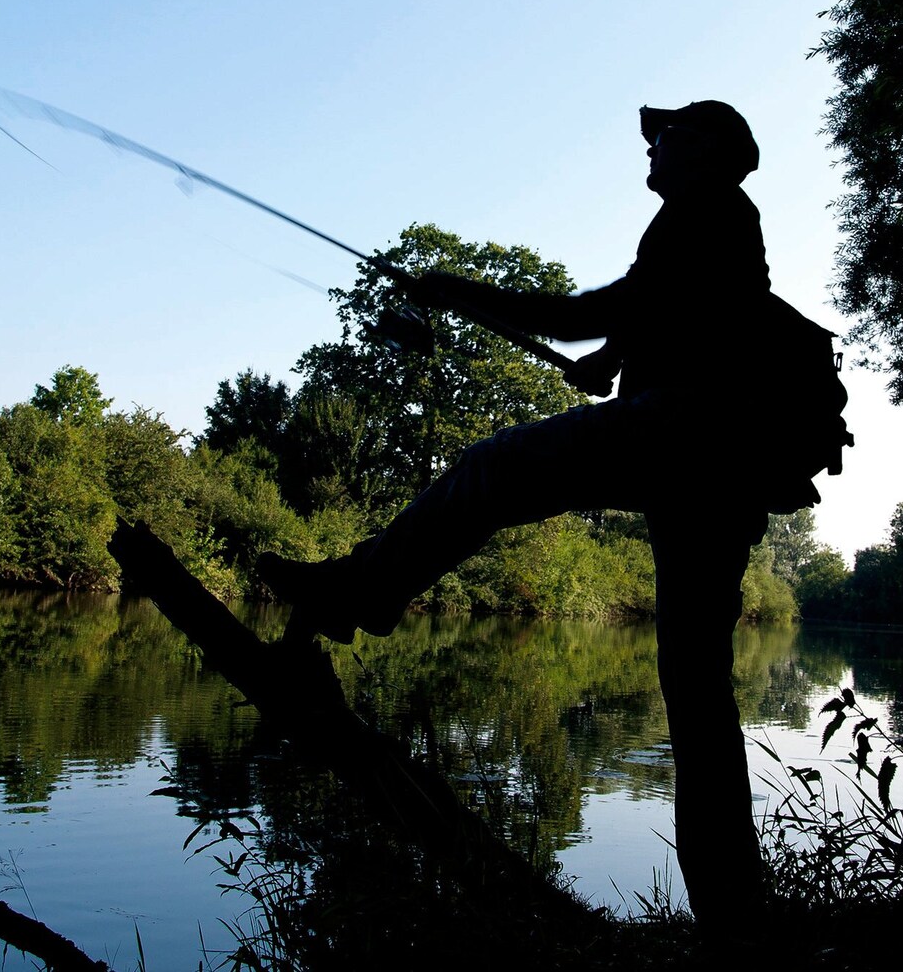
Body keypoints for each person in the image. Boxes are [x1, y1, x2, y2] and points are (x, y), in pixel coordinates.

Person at [260, 101, 780, 924]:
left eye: (668, 134)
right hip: (717, 471)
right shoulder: (714, 229)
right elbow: (656, 323)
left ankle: (359, 593)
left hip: (682, 439)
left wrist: (457, 292)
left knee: (493, 467)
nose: (652, 146)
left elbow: (591, 314)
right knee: (696, 688)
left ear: (710, 149)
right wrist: (607, 363)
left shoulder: (705, 210)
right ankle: (735, 919)